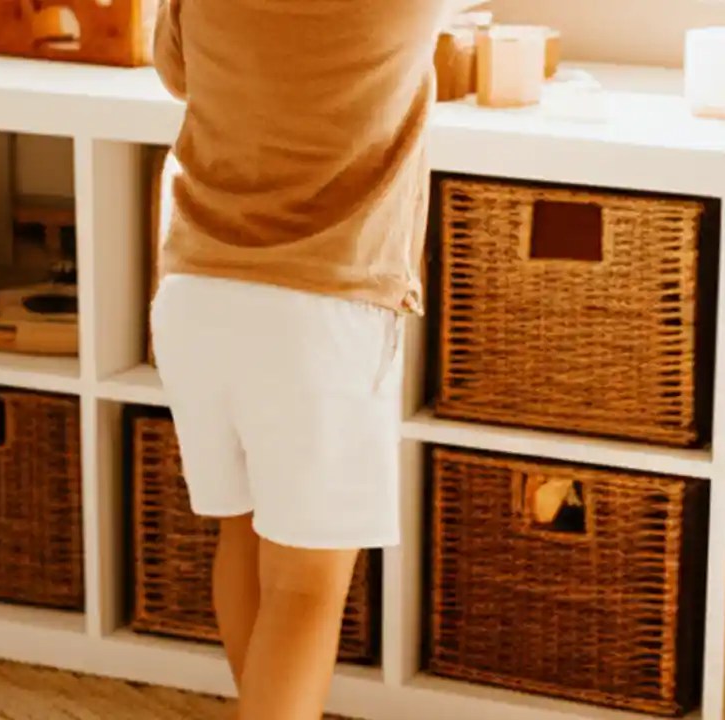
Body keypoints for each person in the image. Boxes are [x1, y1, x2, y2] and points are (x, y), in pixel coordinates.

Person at [149, 1, 479, 718]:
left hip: (195, 293)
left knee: (243, 532)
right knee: (304, 588)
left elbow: (178, 74)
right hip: (318, 314)